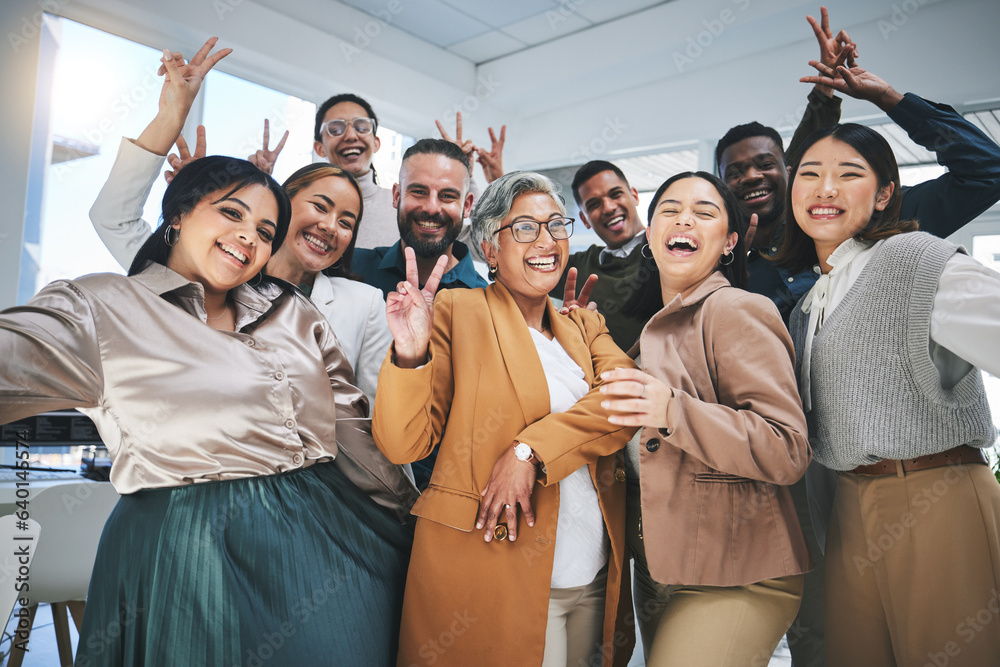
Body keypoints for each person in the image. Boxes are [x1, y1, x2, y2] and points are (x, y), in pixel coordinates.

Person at [0, 150, 411, 664]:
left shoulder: (294, 313)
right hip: (187, 548)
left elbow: (354, 433)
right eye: (232, 213)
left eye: (265, 231)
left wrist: (415, 518)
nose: (248, 236)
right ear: (179, 213)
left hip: (328, 532)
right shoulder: (102, 305)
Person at [372, 171, 638, 666]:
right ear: (489, 250)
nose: (546, 241)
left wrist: (529, 450)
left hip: (593, 571)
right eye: (525, 228)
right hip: (492, 566)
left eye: (556, 225)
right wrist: (409, 355)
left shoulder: (584, 323)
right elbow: (403, 446)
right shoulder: (456, 310)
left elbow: (626, 402)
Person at [775, 122, 1000, 667]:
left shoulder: (914, 259)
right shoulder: (808, 306)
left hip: (936, 495)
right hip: (850, 512)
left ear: (883, 195)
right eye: (809, 174)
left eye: (848, 174)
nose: (824, 189)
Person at [89, 39, 395, 408]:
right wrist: (172, 124)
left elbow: (374, 415)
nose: (331, 227)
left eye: (347, 222)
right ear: (283, 206)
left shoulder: (361, 304)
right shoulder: (213, 271)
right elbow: (113, 219)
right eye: (319, 206)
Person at [600, 172, 811, 666]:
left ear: (731, 241)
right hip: (659, 573)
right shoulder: (652, 327)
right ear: (650, 236)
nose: (684, 218)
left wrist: (673, 410)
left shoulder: (738, 309)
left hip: (738, 574)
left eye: (705, 211)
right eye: (669, 209)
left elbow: (787, 448)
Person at [352, 138, 489, 298]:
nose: (431, 208)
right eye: (419, 192)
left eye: (447, 196)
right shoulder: (352, 269)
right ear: (397, 196)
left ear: (466, 206)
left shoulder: (485, 301)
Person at [550, 160, 649, 351]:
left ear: (634, 196)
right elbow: (524, 257)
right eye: (594, 204)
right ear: (584, 219)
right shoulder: (578, 267)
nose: (609, 207)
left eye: (616, 194)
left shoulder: (668, 251)